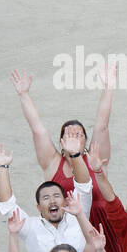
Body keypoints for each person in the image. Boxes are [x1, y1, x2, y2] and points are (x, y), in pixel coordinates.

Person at [0, 138, 97, 252]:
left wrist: (75, 155)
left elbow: (84, 185)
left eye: (56, 196)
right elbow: (6, 205)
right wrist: (2, 167)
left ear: (65, 201)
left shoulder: (78, 214)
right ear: (39, 207)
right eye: (46, 198)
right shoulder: (30, 227)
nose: (52, 201)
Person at [9, 66, 112, 195]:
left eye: (78, 135)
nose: (73, 138)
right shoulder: (52, 163)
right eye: (69, 135)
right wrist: (23, 94)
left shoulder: (96, 158)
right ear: (61, 142)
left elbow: (101, 126)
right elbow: (38, 130)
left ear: (86, 141)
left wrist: (108, 88)